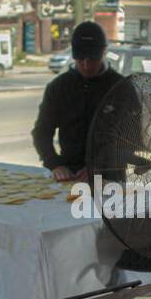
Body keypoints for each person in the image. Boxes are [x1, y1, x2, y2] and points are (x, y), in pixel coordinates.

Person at [32, 21, 122, 181]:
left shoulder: (121, 88)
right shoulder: (58, 87)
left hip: (111, 176)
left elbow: (132, 141)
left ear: (103, 51)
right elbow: (41, 132)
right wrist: (54, 164)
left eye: (92, 60)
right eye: (81, 59)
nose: (87, 66)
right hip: (69, 174)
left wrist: (100, 167)